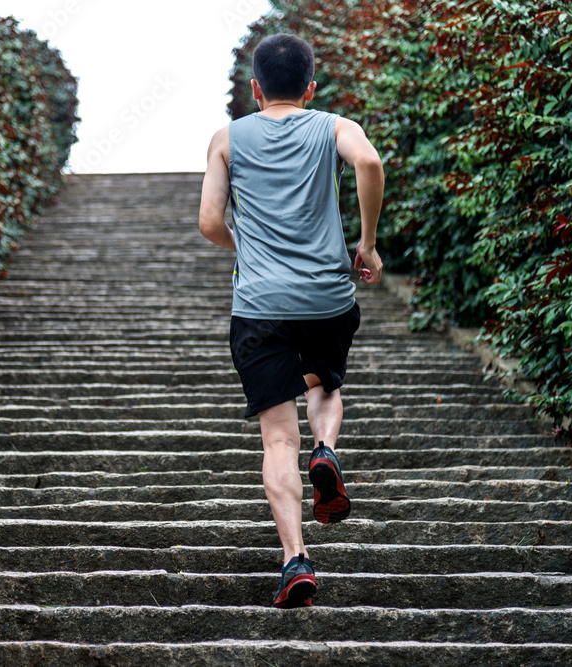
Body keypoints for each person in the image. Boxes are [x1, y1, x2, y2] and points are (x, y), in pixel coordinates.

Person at [197, 33, 384, 609]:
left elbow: (207, 221)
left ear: (254, 89)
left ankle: (295, 560)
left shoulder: (228, 137)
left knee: (278, 438)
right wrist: (367, 245)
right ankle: (325, 449)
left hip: (258, 307)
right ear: (310, 87)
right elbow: (371, 162)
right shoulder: (333, 125)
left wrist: (246, 248)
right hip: (327, 298)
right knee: (325, 385)